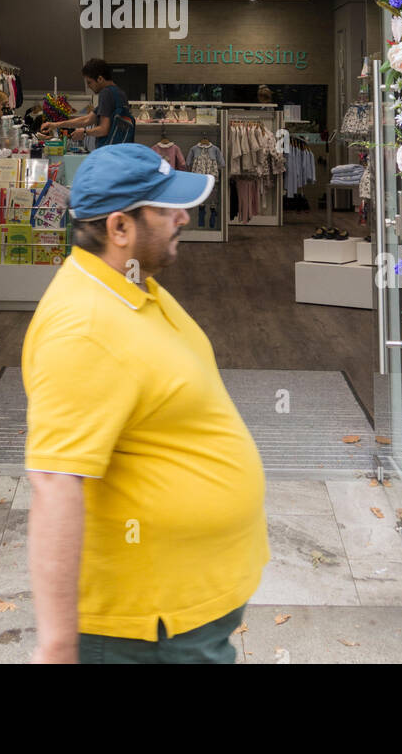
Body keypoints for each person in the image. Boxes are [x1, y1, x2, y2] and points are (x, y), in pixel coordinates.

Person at [22, 144, 269, 664]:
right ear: (119, 228)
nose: (184, 216)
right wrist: (57, 648)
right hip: (147, 628)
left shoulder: (130, 285)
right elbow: (55, 483)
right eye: (167, 208)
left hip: (183, 611)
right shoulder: (83, 328)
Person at [40, 58, 134, 147]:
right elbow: (87, 119)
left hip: (109, 151)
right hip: (122, 149)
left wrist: (85, 133)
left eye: (89, 82)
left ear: (100, 79)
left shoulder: (106, 93)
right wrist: (55, 125)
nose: (88, 87)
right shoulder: (119, 93)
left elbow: (104, 129)